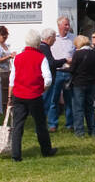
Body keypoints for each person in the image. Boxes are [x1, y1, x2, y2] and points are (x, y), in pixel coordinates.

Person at [9, 28, 58, 161]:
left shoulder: (17, 58)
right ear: (37, 43)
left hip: (19, 95)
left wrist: (9, 97)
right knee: (40, 124)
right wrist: (43, 89)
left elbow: (12, 79)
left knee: (18, 125)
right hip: (34, 95)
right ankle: (46, 150)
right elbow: (48, 79)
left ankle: (16, 154)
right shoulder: (41, 57)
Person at [65, 35, 95, 137]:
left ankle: (80, 132)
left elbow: (72, 69)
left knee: (78, 108)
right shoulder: (94, 53)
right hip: (91, 83)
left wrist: (67, 67)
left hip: (79, 84)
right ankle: (93, 131)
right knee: (89, 108)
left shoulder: (78, 53)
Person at [47, 16, 76, 130]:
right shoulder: (53, 39)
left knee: (69, 99)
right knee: (53, 99)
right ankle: (52, 124)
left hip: (68, 72)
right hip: (56, 72)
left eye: (68, 25)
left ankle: (70, 124)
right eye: (65, 25)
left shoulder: (73, 38)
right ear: (59, 25)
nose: (68, 27)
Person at [0, 25, 14, 114]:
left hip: (6, 70)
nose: (4, 39)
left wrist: (11, 55)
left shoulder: (5, 45)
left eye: (6, 37)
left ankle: (5, 108)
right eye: (3, 37)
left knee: (5, 90)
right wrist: (9, 56)